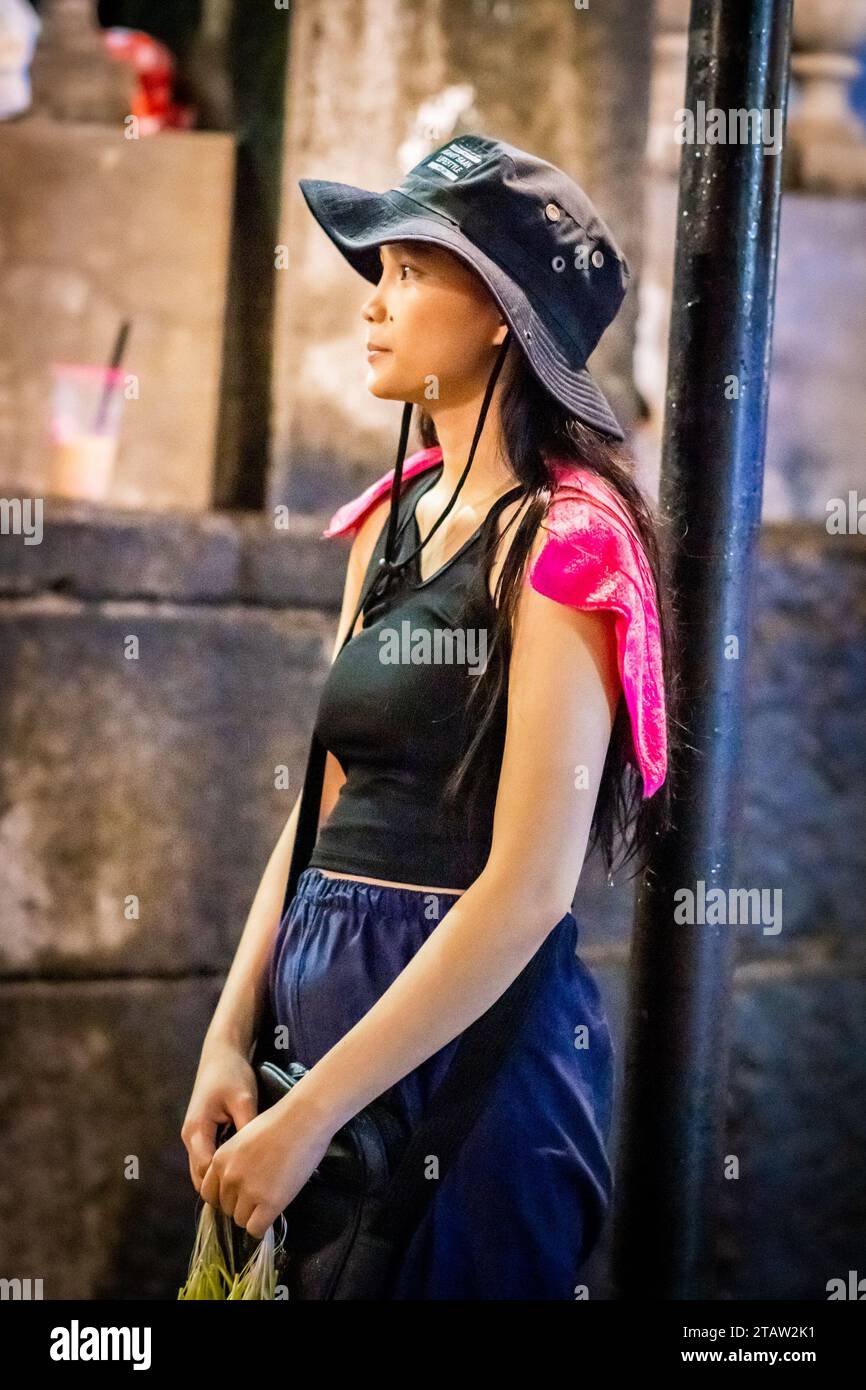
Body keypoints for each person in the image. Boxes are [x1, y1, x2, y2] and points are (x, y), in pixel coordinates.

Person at [181, 134, 676, 1299]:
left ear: (503, 314)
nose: (374, 300)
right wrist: (226, 1032)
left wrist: (314, 1117)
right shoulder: (389, 525)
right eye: (379, 268)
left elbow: (528, 888)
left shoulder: (568, 541)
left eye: (410, 270)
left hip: (468, 1084)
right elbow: (315, 815)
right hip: (309, 1056)